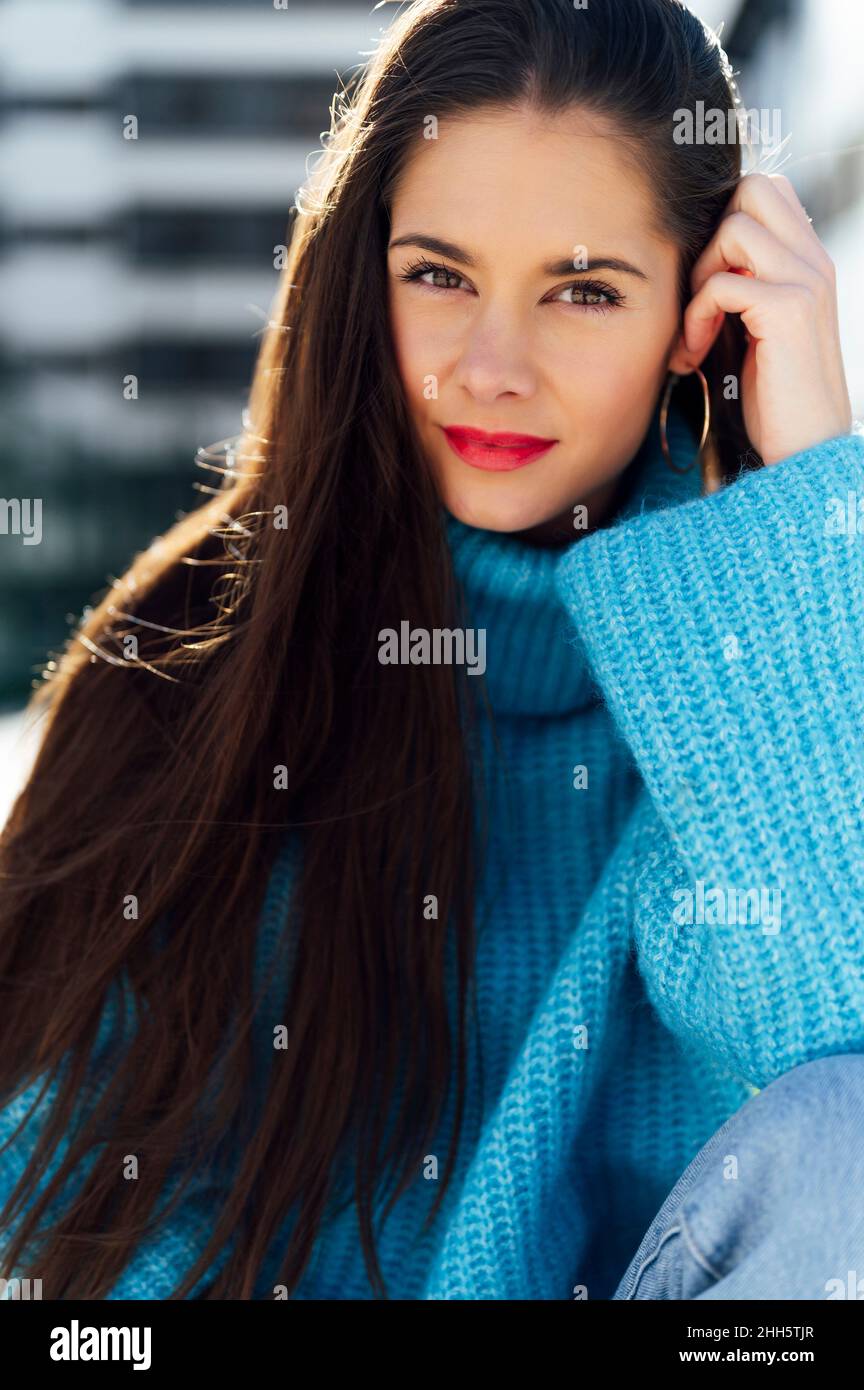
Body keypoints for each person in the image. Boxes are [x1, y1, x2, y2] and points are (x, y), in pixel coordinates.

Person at [1, 0, 862, 1301]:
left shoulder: (783, 655)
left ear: (699, 313)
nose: (491, 366)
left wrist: (804, 503)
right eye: (441, 276)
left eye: (583, 289)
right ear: (364, 277)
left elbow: (824, 1084)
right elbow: (43, 1170)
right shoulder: (189, 657)